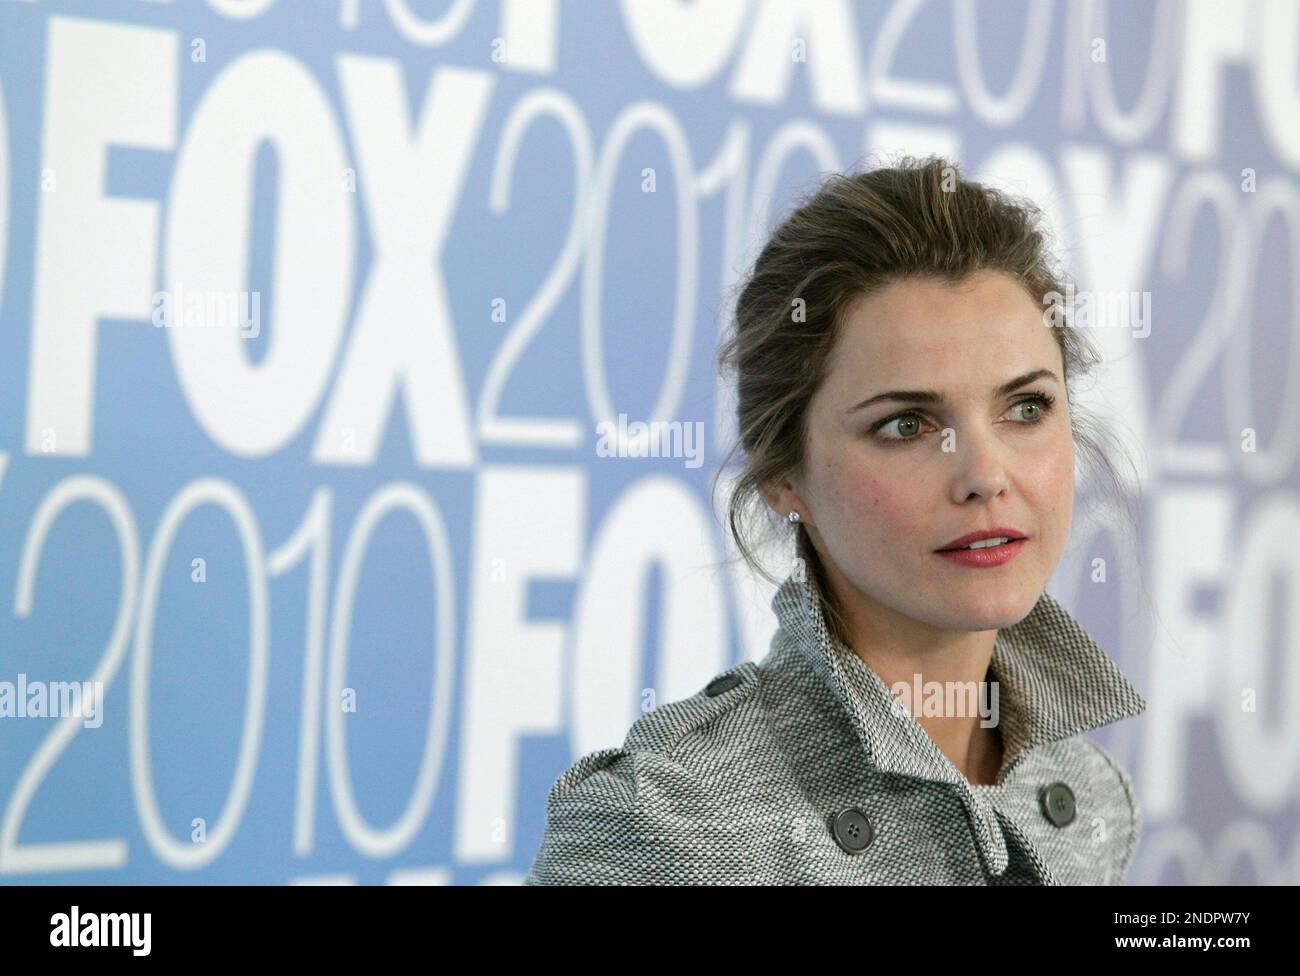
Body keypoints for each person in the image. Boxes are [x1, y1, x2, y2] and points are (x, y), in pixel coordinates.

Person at [524, 155, 1146, 885]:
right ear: (784, 474)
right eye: (907, 424)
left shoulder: (1087, 794)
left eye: (1027, 408)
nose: (984, 476)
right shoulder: (664, 827)